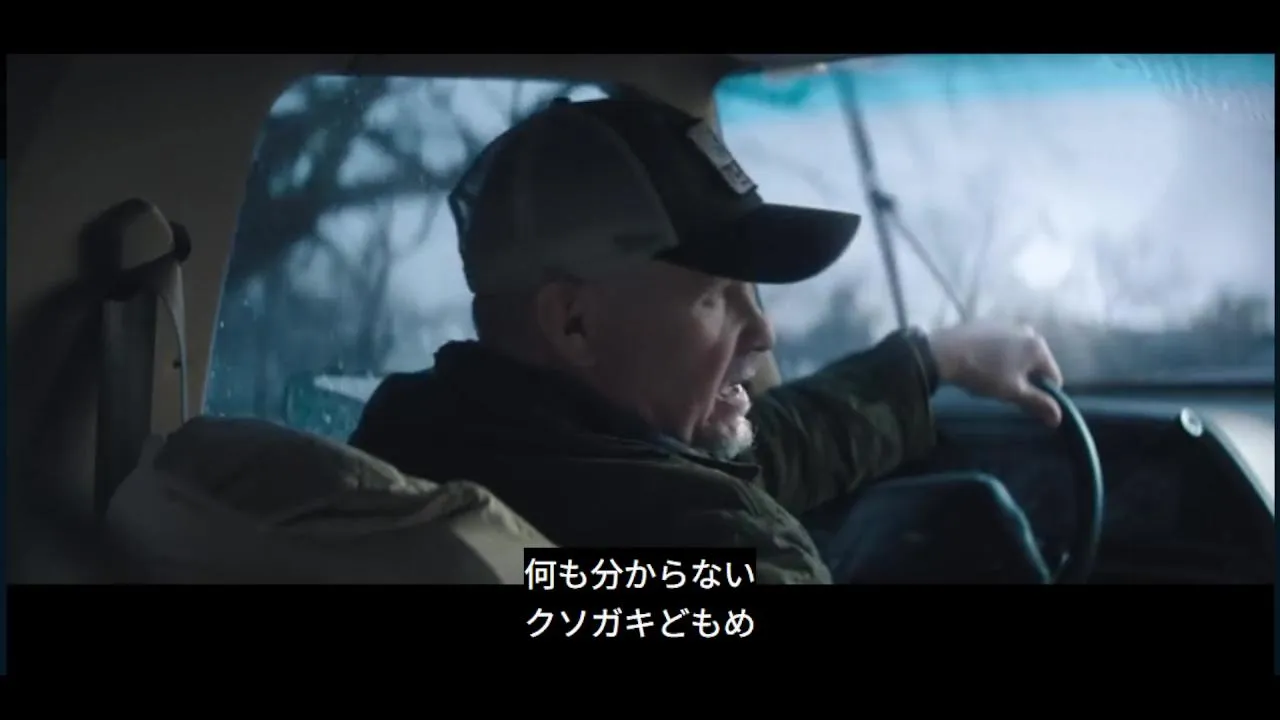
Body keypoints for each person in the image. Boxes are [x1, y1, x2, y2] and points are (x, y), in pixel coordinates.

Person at [349, 95, 1065, 584]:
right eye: (714, 296)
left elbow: (757, 455)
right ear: (573, 322)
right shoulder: (720, 546)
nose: (763, 329)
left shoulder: (420, 447)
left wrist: (937, 359)